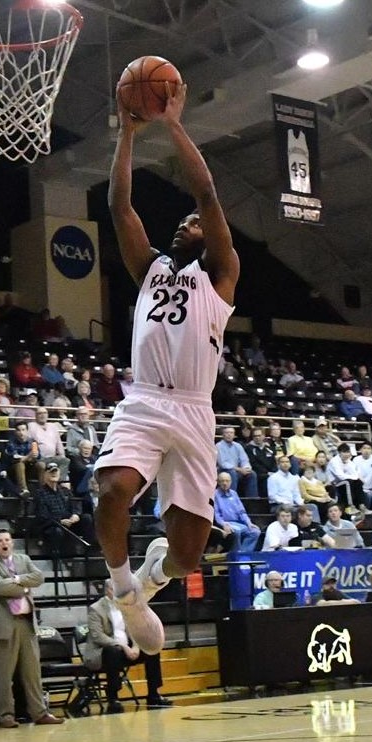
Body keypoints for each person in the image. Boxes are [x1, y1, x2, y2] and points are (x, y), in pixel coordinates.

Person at [92, 81, 241, 658]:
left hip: (195, 411)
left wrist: (175, 125)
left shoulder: (221, 273)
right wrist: (129, 133)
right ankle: (126, 592)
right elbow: (118, 207)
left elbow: (205, 193)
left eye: (194, 223)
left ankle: (154, 576)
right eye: (181, 222)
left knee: (186, 557)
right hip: (147, 400)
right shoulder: (150, 269)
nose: (187, 223)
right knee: (112, 493)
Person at [0, 528, 65, 728]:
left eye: (7, 539)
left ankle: (39, 712)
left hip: (26, 622)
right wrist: (25, 586)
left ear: (12, 542)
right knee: (3, 675)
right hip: (2, 626)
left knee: (32, 672)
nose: (4, 543)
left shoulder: (23, 559)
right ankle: (5, 715)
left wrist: (17, 580)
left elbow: (39, 577)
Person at [83, 581, 173, 712]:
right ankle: (113, 698)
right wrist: (123, 646)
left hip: (125, 649)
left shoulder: (125, 606)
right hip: (103, 652)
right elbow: (98, 636)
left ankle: (153, 694)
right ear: (108, 590)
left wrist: (136, 646)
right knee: (112, 652)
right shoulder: (96, 609)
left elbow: (133, 628)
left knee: (151, 649)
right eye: (117, 590)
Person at [213, 472, 261, 553]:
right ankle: (236, 555)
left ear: (231, 482)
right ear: (218, 482)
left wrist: (249, 523)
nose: (225, 483)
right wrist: (223, 524)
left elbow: (241, 511)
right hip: (225, 523)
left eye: (227, 481)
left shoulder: (234, 494)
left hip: (238, 523)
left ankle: (244, 554)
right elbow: (216, 514)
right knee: (236, 531)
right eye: (222, 481)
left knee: (255, 532)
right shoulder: (215, 494)